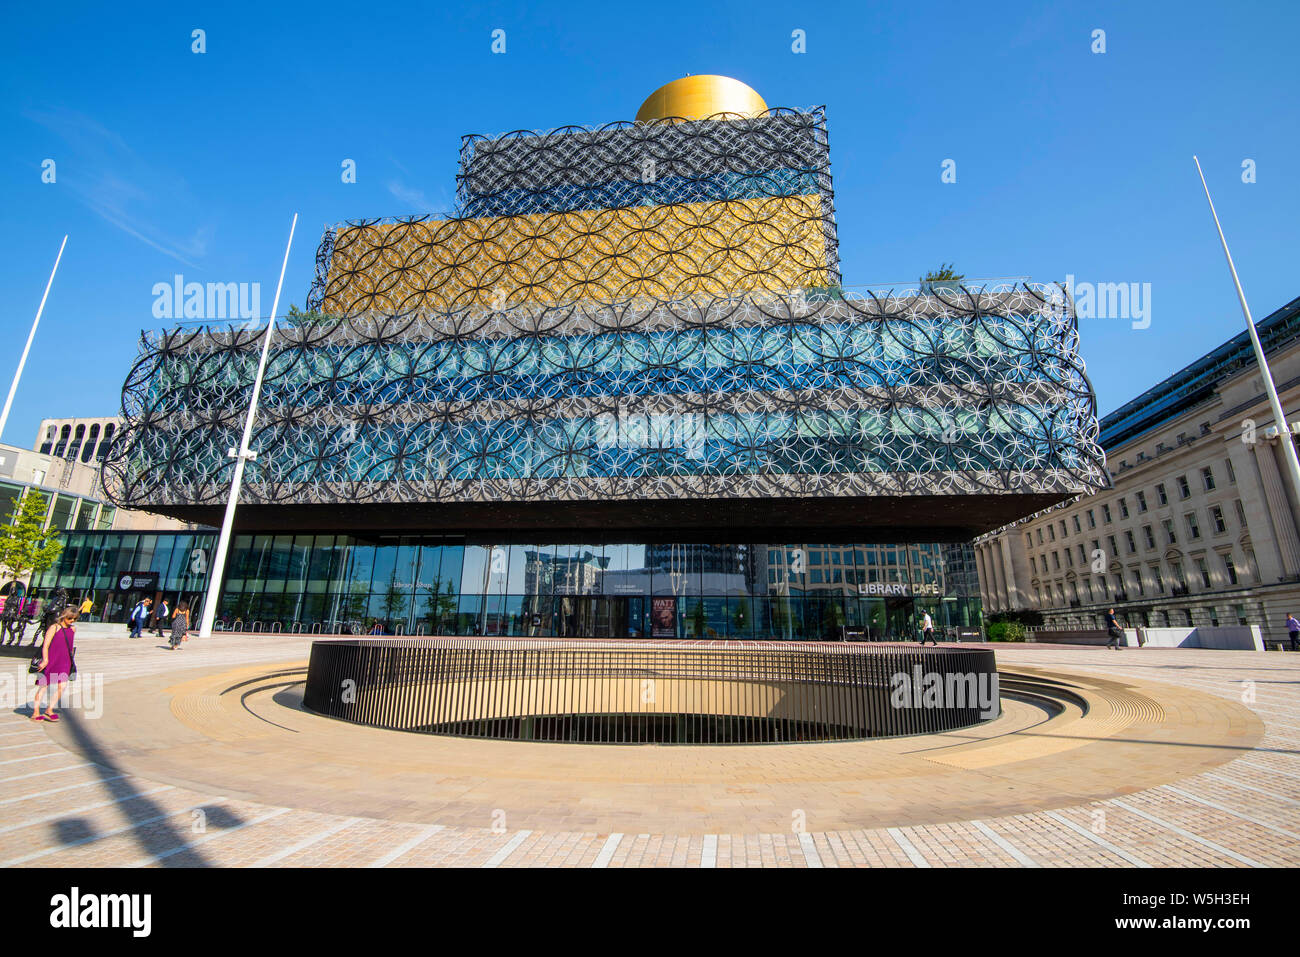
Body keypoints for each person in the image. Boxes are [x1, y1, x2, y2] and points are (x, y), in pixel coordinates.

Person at [31, 606, 78, 722]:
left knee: (62, 686)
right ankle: (35, 712)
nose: (72, 621)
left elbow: (70, 646)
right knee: (43, 686)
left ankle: (49, 709)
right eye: (70, 618)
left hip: (65, 661)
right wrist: (45, 660)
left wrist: (71, 660)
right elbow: (45, 645)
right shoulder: (54, 627)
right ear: (64, 616)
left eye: (74, 619)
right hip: (51, 660)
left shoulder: (73, 629)